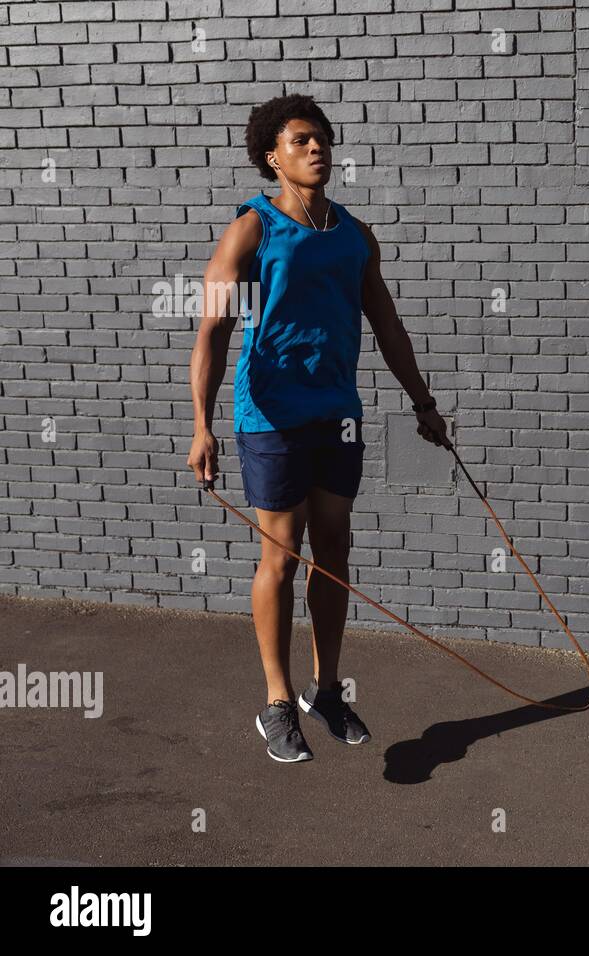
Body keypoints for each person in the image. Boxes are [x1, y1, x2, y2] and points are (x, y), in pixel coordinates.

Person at [187, 94, 450, 763]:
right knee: (281, 554)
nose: (316, 148)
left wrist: (423, 402)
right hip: (270, 416)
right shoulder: (252, 227)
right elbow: (213, 330)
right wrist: (202, 425)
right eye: (301, 140)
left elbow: (387, 325)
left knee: (334, 549)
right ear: (270, 154)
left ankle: (326, 690)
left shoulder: (354, 235)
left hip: (337, 413)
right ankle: (277, 704)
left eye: (322, 139)